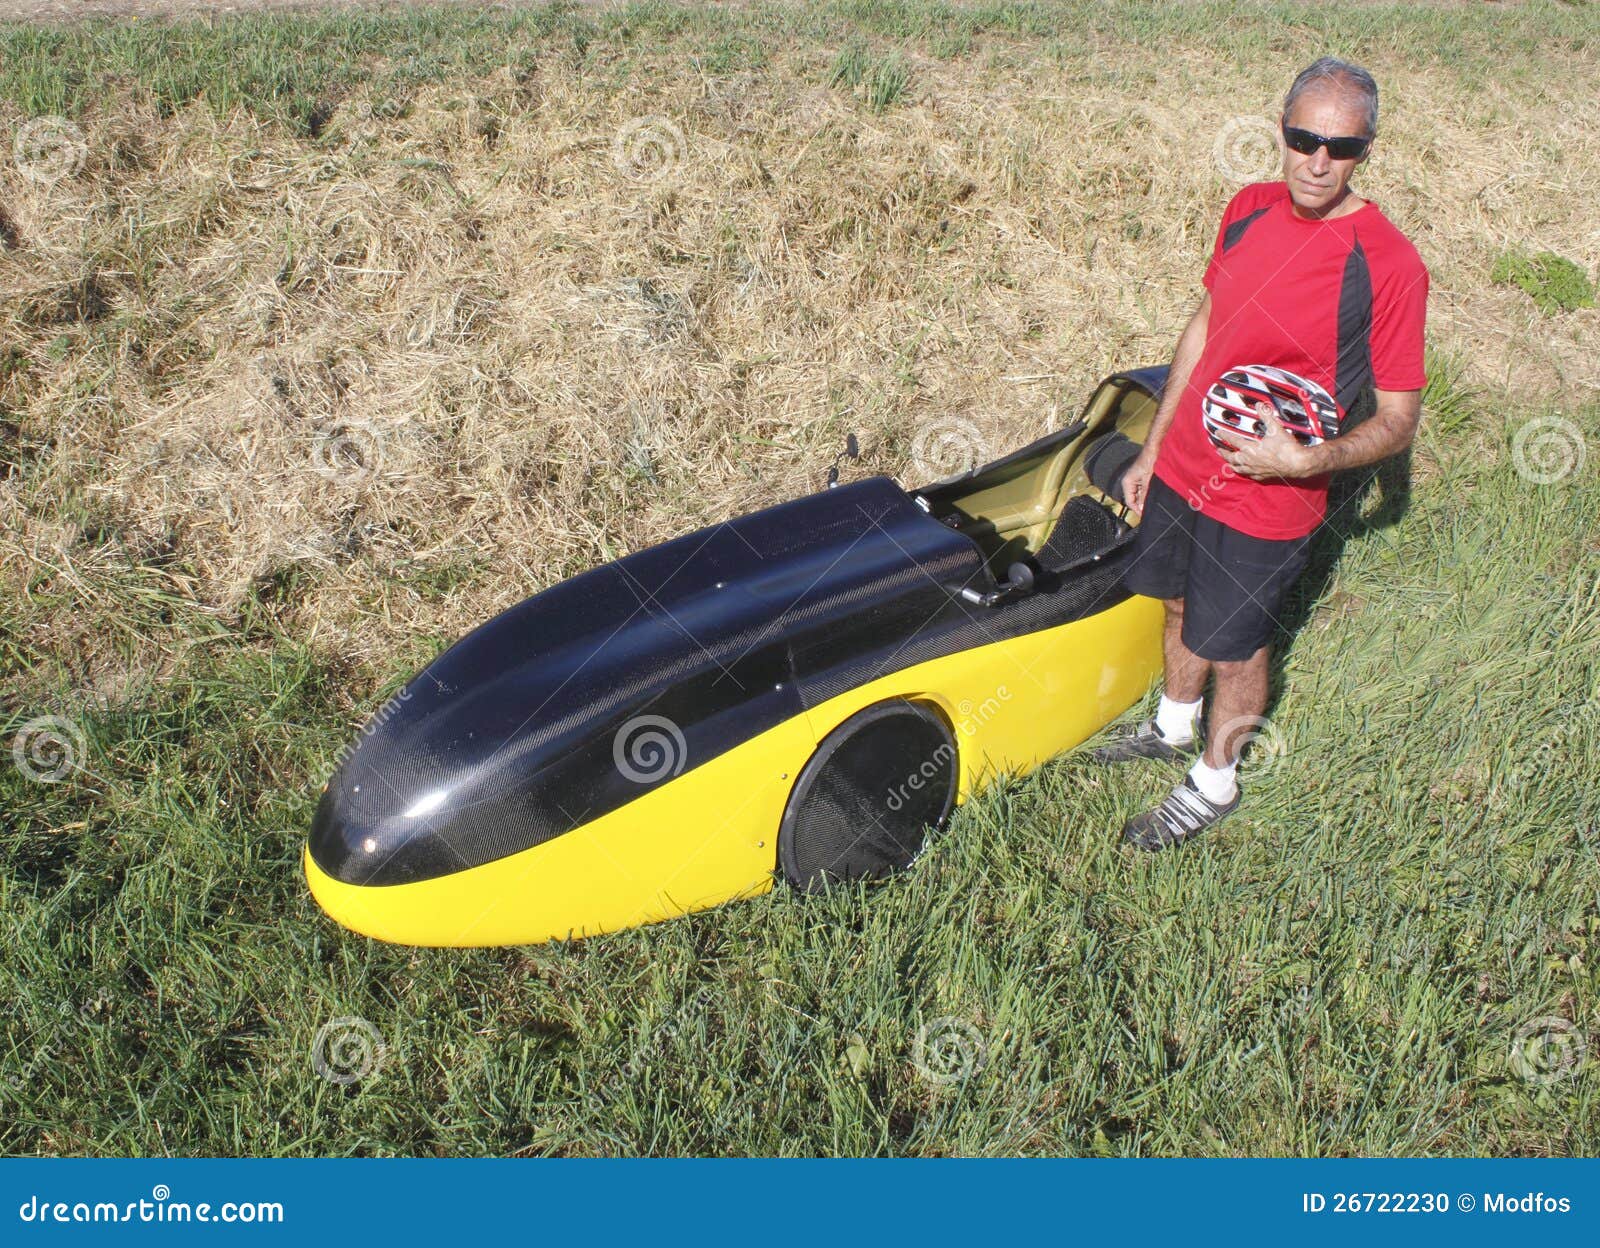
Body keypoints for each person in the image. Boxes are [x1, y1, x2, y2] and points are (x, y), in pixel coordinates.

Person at [1093, 57, 1429, 851]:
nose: (1318, 161)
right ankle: (1173, 725)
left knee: (1237, 646)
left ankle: (1216, 782)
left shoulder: (1388, 263)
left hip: (1270, 495)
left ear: (1368, 150)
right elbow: (1205, 326)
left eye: (1342, 147)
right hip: (1184, 467)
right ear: (1281, 130)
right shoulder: (1246, 208)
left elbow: (1400, 419)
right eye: (1304, 138)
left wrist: (1309, 464)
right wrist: (1154, 447)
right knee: (1179, 604)